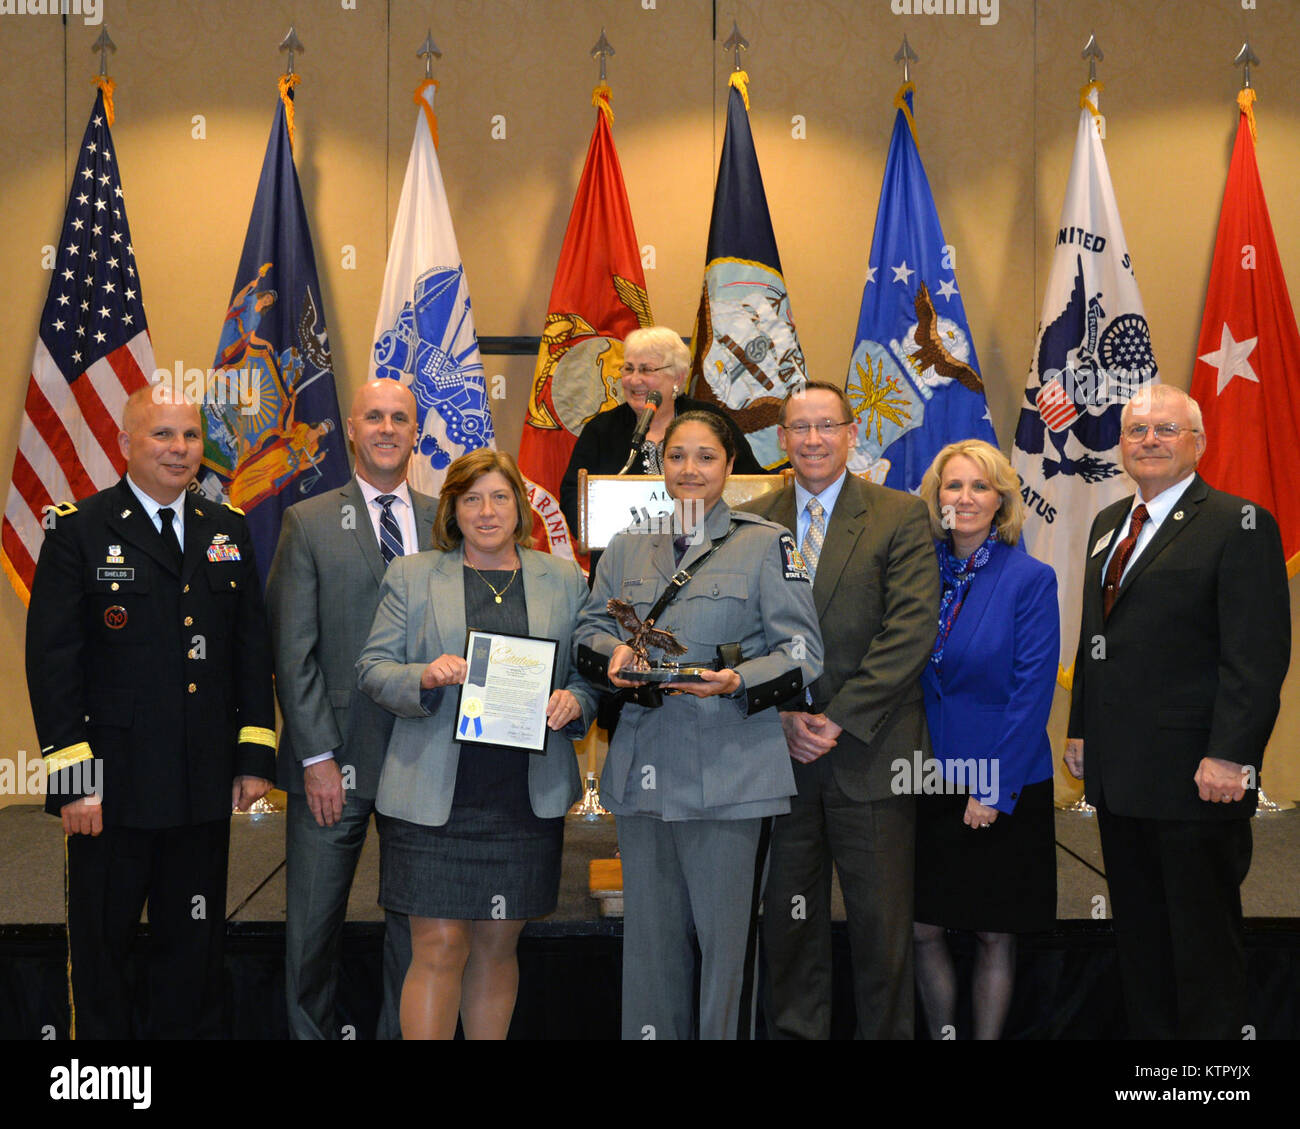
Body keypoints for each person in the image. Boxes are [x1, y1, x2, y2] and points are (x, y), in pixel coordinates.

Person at [24, 384, 276, 1039]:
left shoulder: (228, 529)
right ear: (125, 442)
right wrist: (74, 782)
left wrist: (253, 756)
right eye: (162, 434)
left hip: (199, 785)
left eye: (190, 436)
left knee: (192, 953)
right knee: (102, 955)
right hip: (111, 792)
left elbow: (251, 649)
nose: (179, 449)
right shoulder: (79, 530)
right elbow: (54, 666)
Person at [573, 410, 823, 1040]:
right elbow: (588, 631)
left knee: (727, 955)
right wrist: (615, 658)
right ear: (661, 465)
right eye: (677, 456)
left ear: (730, 466)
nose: (689, 469)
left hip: (732, 774)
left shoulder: (767, 543)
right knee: (650, 952)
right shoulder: (629, 545)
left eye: (706, 457)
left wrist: (736, 681)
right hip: (644, 772)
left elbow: (803, 654)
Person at [1065, 385, 1290, 1039]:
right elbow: (1094, 637)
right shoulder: (1110, 523)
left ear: (1198, 442)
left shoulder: (1239, 524)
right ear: (1122, 443)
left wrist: (1232, 754)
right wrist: (1081, 723)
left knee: (1201, 949)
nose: (1150, 440)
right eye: (1137, 429)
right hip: (1120, 777)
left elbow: (1256, 659)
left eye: (1167, 428)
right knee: (1141, 944)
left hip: (1198, 778)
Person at [355, 450, 595, 1039]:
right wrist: (424, 676)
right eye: (471, 499)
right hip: (434, 795)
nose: (487, 512)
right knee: (437, 946)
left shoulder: (562, 578)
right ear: (452, 509)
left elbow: (588, 672)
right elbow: (372, 668)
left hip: (523, 796)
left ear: (520, 505)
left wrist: (576, 702)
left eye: (499, 497)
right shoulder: (412, 576)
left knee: (496, 945)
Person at [740, 381, 938, 1040]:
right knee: (788, 925)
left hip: (870, 753)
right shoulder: (753, 520)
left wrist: (836, 717)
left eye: (827, 425)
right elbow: (738, 636)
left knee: (882, 933)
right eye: (800, 427)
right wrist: (782, 714)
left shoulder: (900, 514)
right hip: (781, 758)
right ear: (782, 438)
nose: (814, 439)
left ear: (853, 434)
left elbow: (909, 631)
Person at [266, 378, 436, 1040]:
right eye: (375, 416)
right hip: (333, 760)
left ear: (415, 431)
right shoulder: (308, 520)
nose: (388, 427)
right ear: (351, 428)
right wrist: (315, 756)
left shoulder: (445, 517)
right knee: (311, 927)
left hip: (426, 758)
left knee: (419, 928)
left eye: (400, 417)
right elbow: (293, 650)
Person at [913, 438, 1059, 1040]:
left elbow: (1032, 692)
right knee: (922, 926)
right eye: (953, 486)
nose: (965, 498)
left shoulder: (1029, 578)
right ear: (937, 497)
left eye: (980, 486)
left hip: (1002, 778)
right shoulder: (918, 572)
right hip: (923, 777)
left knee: (994, 929)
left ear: (1001, 500)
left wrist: (992, 788)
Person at [559, 325, 765, 556]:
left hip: (707, 557)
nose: (634, 380)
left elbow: (753, 487)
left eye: (646, 370)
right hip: (623, 559)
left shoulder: (712, 423)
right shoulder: (601, 429)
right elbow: (572, 495)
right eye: (629, 369)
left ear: (677, 377)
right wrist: (604, 536)